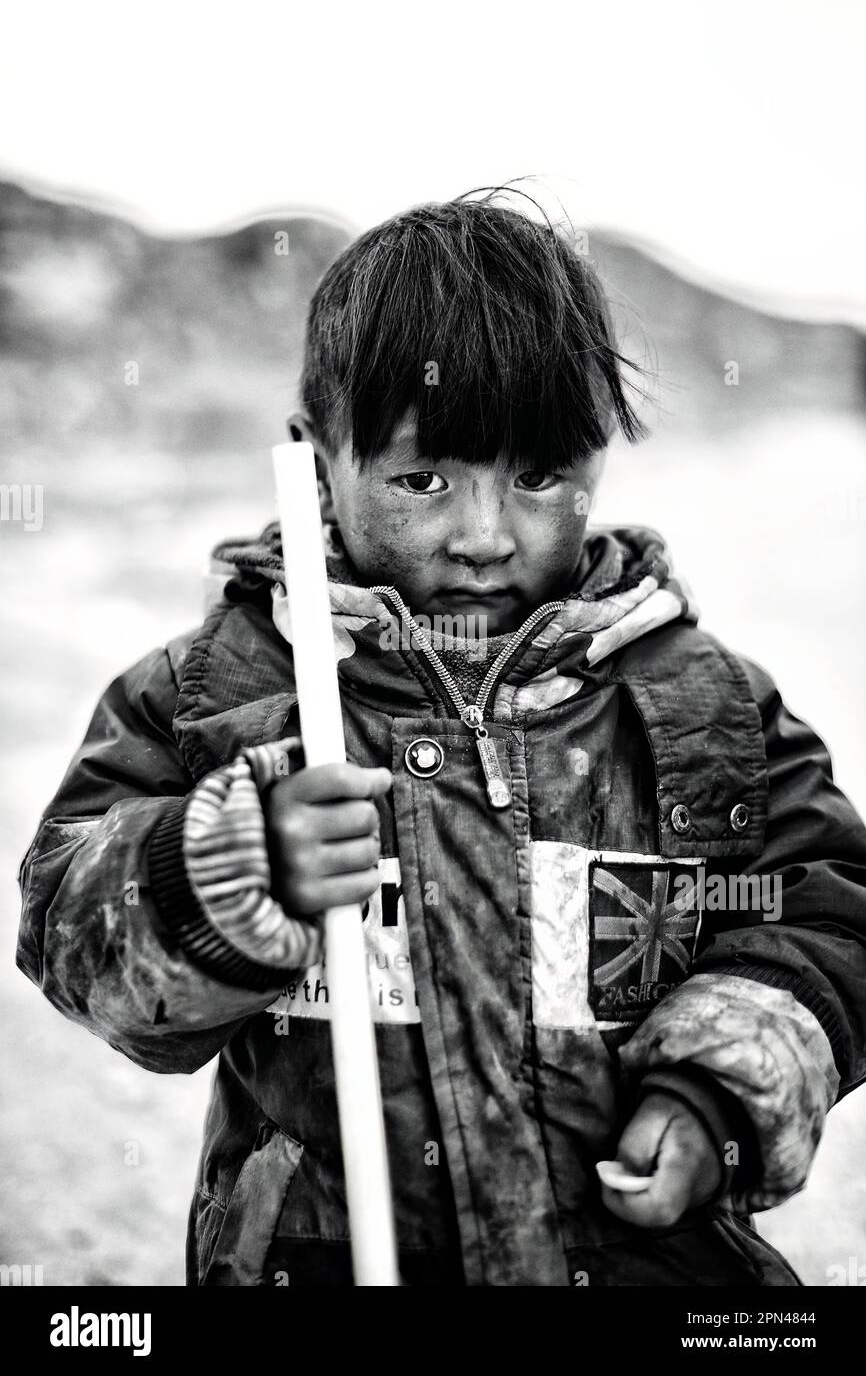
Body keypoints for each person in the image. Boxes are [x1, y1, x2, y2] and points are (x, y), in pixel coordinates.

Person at [17, 195, 866, 1286]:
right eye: (423, 479)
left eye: (538, 475)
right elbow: (66, 931)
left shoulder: (700, 703)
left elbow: (825, 905)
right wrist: (228, 869)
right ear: (316, 458)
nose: (483, 535)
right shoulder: (218, 693)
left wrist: (716, 1090)